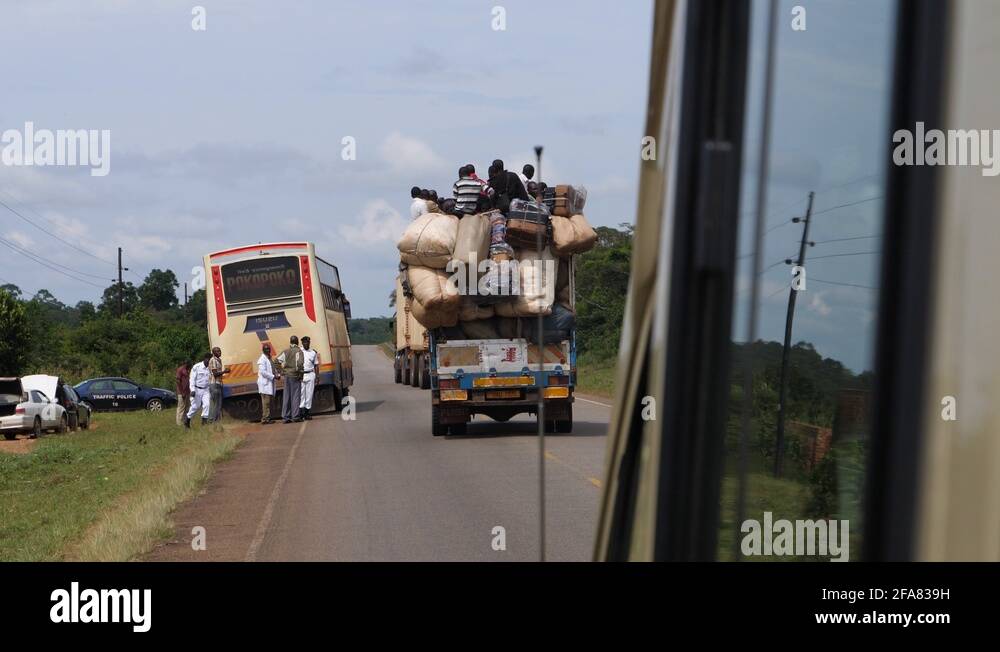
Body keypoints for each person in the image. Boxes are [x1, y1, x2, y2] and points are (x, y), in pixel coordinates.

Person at [277, 335, 305, 423]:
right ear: (297, 342)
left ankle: (286, 417)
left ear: (290, 342)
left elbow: (276, 361)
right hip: (295, 376)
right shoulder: (299, 351)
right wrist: (301, 374)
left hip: (287, 376)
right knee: (295, 396)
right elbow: (300, 364)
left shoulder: (285, 351)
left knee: (287, 396)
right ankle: (296, 416)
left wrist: (281, 371)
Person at [184, 353, 213, 428]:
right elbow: (192, 379)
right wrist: (192, 390)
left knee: (207, 405)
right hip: (197, 389)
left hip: (206, 389)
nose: (210, 362)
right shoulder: (197, 367)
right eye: (209, 360)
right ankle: (187, 419)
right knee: (195, 406)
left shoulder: (210, 368)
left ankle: (204, 422)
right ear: (205, 359)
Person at [299, 336, 320, 419]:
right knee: (301, 395)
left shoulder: (313, 352)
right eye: (304, 342)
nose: (306, 343)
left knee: (309, 394)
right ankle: (301, 413)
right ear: (302, 343)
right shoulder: (299, 351)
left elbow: (316, 365)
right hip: (301, 375)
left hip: (310, 374)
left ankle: (307, 413)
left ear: (309, 343)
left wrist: (317, 376)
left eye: (307, 342)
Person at [206, 347, 229, 423]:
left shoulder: (219, 360)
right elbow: (215, 374)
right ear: (213, 353)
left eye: (220, 350)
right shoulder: (213, 360)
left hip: (218, 383)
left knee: (217, 404)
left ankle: (214, 420)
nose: (220, 352)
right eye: (217, 351)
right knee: (216, 404)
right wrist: (224, 371)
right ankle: (213, 421)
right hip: (214, 384)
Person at [257, 344, 278, 424]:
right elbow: (263, 372)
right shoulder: (262, 359)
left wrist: (276, 374)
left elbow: (272, 369)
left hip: (269, 383)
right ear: (263, 350)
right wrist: (273, 376)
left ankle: (267, 418)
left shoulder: (269, 358)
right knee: (266, 402)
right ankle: (265, 419)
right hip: (265, 384)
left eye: (269, 349)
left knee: (269, 402)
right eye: (266, 349)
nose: (268, 350)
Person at [175, 360, 192, 426]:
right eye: (189, 364)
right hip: (181, 392)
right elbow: (178, 381)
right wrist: (182, 392)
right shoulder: (180, 369)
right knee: (181, 407)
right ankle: (179, 423)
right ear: (186, 364)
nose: (190, 366)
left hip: (187, 391)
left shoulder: (187, 370)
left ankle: (185, 421)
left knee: (187, 407)